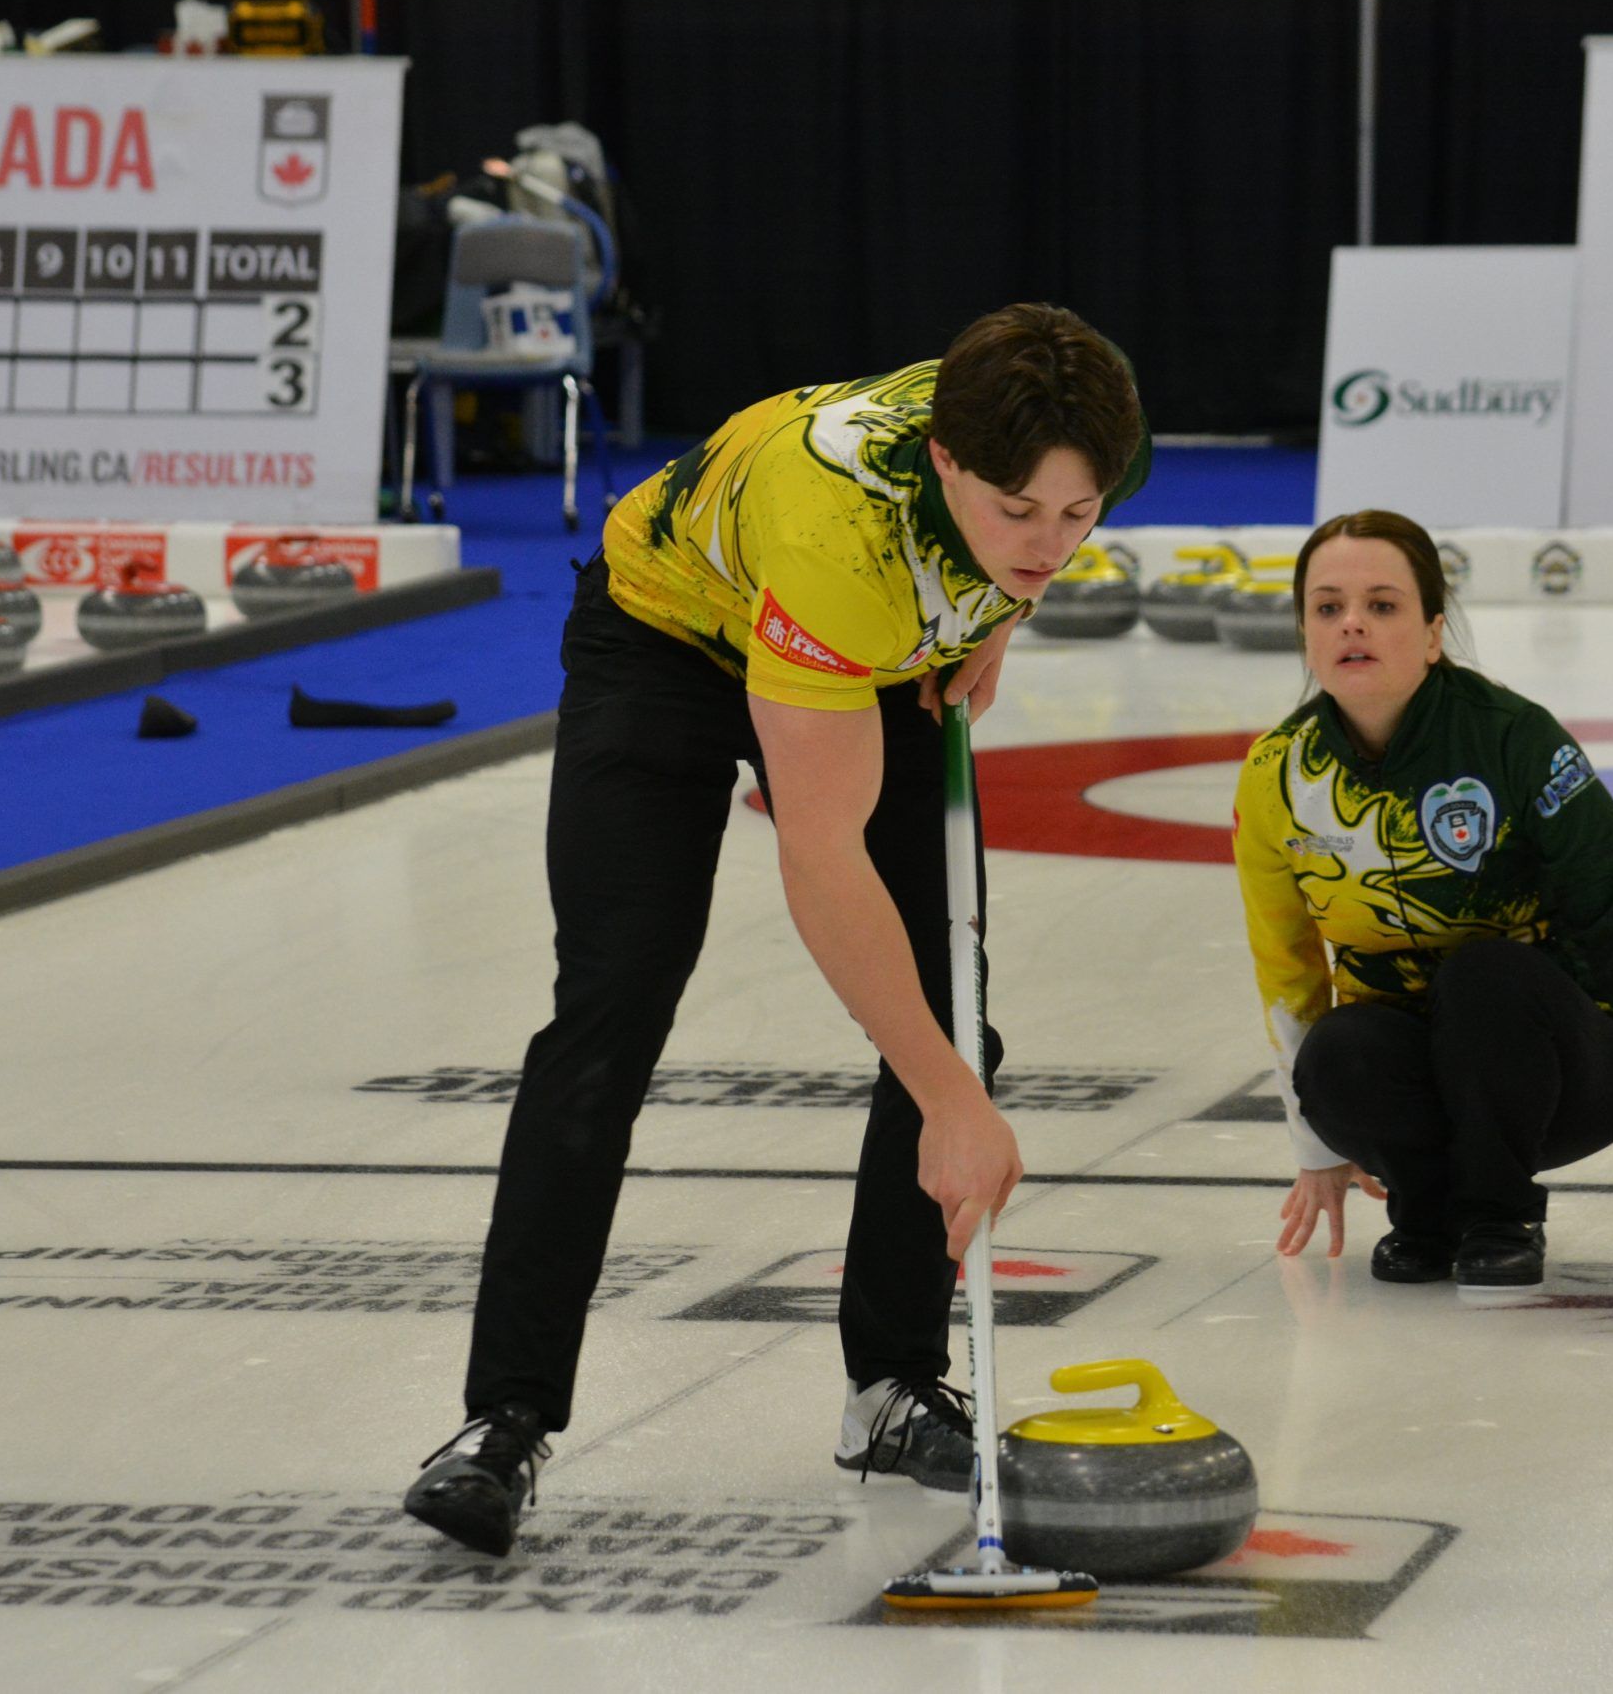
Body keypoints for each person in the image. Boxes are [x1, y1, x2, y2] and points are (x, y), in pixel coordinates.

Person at [406, 304, 1149, 1555]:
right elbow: (819, 855)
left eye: (1076, 517)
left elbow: (1029, 528)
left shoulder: (1066, 440)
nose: (1049, 541)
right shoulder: (836, 529)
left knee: (950, 1003)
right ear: (950, 465)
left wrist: (1000, 611)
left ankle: (893, 1387)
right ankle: (506, 1416)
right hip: (670, 637)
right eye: (1018, 515)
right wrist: (953, 1102)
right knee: (614, 1004)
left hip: (866, 648)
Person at [1234, 509, 1613, 1291]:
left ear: (1434, 631)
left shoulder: (1516, 740)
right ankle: (1429, 1211)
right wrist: (1318, 1153)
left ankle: (1500, 1214)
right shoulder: (1277, 775)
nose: (1352, 625)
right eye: (1327, 606)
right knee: (1338, 1053)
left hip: (1564, 1073)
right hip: (1417, 1078)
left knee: (1485, 977)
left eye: (1382, 605)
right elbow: (1287, 970)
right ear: (1305, 632)